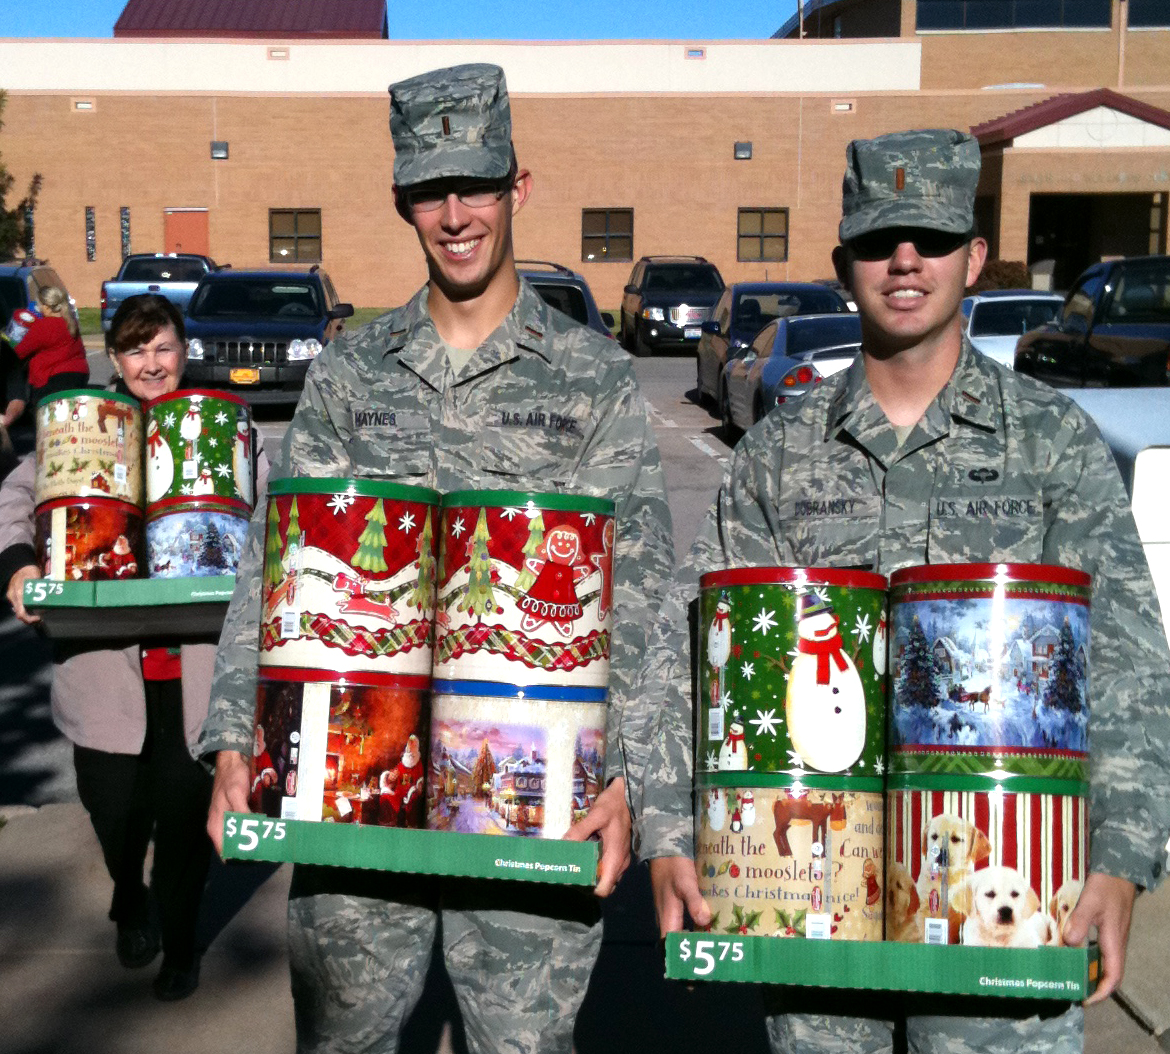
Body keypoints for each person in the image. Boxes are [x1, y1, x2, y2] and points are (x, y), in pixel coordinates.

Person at [634, 129, 1170, 1053]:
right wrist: (666, 829)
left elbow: (1125, 658)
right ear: (845, 263)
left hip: (999, 899)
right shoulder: (778, 454)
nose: (907, 260)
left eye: (929, 234)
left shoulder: (1050, 441)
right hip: (813, 899)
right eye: (881, 240)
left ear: (976, 255)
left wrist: (1122, 859)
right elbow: (693, 655)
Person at [201, 63, 674, 1053]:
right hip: (357, 787)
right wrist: (236, 735)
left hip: (532, 788)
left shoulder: (589, 377)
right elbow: (274, 568)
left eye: (477, 185)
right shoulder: (349, 373)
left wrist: (630, 776)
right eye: (431, 190)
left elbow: (641, 590)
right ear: (403, 202)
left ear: (518, 188)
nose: (456, 213)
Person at [0, 293, 269, 1002]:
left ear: (184, 349)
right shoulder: (85, 424)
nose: (151, 363)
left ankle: (181, 943)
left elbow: (268, 507)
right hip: (104, 664)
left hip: (196, 665)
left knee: (184, 819)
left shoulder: (225, 424)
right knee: (114, 809)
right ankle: (128, 895)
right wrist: (20, 564)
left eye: (163, 347)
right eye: (134, 349)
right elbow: (16, 494)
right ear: (114, 358)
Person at [13, 285, 89, 407]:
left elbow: (19, 353)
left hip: (54, 379)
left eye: (39, 306)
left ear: (46, 307)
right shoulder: (70, 322)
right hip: (79, 375)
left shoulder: (44, 326)